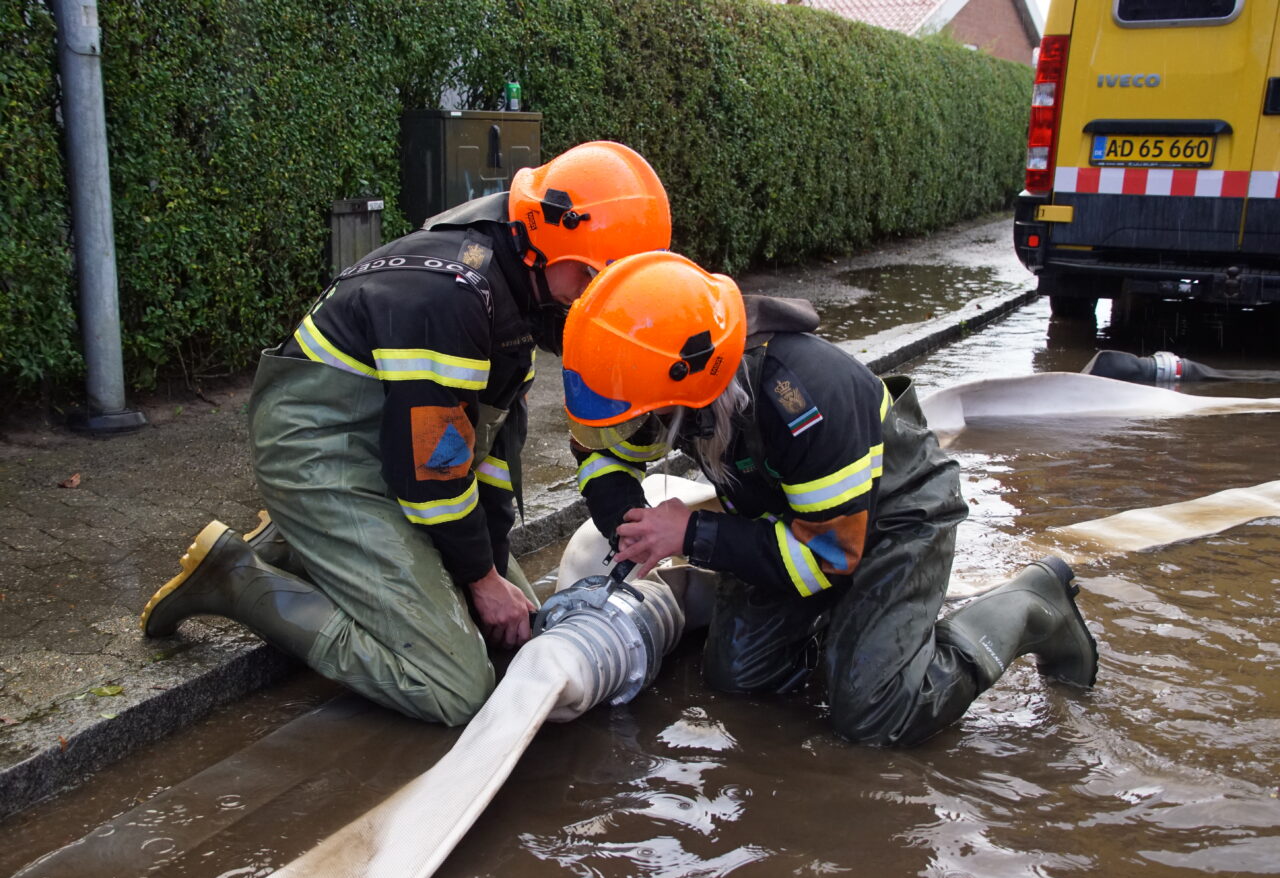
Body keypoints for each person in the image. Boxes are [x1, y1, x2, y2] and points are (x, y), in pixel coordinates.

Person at [140, 141, 672, 726]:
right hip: (322, 455)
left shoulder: (517, 287)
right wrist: (479, 580)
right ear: (556, 238)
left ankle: (302, 541)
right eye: (597, 275)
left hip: (388, 451)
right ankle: (235, 580)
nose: (598, 296)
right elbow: (432, 473)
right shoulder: (453, 297)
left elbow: (487, 451)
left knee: (516, 635)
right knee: (457, 685)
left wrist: (490, 566)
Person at [560, 251, 1098, 746]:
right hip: (788, 520)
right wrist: (623, 525)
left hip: (895, 520)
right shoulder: (669, 375)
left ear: (690, 389)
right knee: (738, 679)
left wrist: (691, 535)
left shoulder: (803, 398)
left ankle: (1032, 602)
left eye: (638, 413)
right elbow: (600, 449)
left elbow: (829, 557)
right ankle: (852, 635)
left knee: (874, 715)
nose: (634, 425)